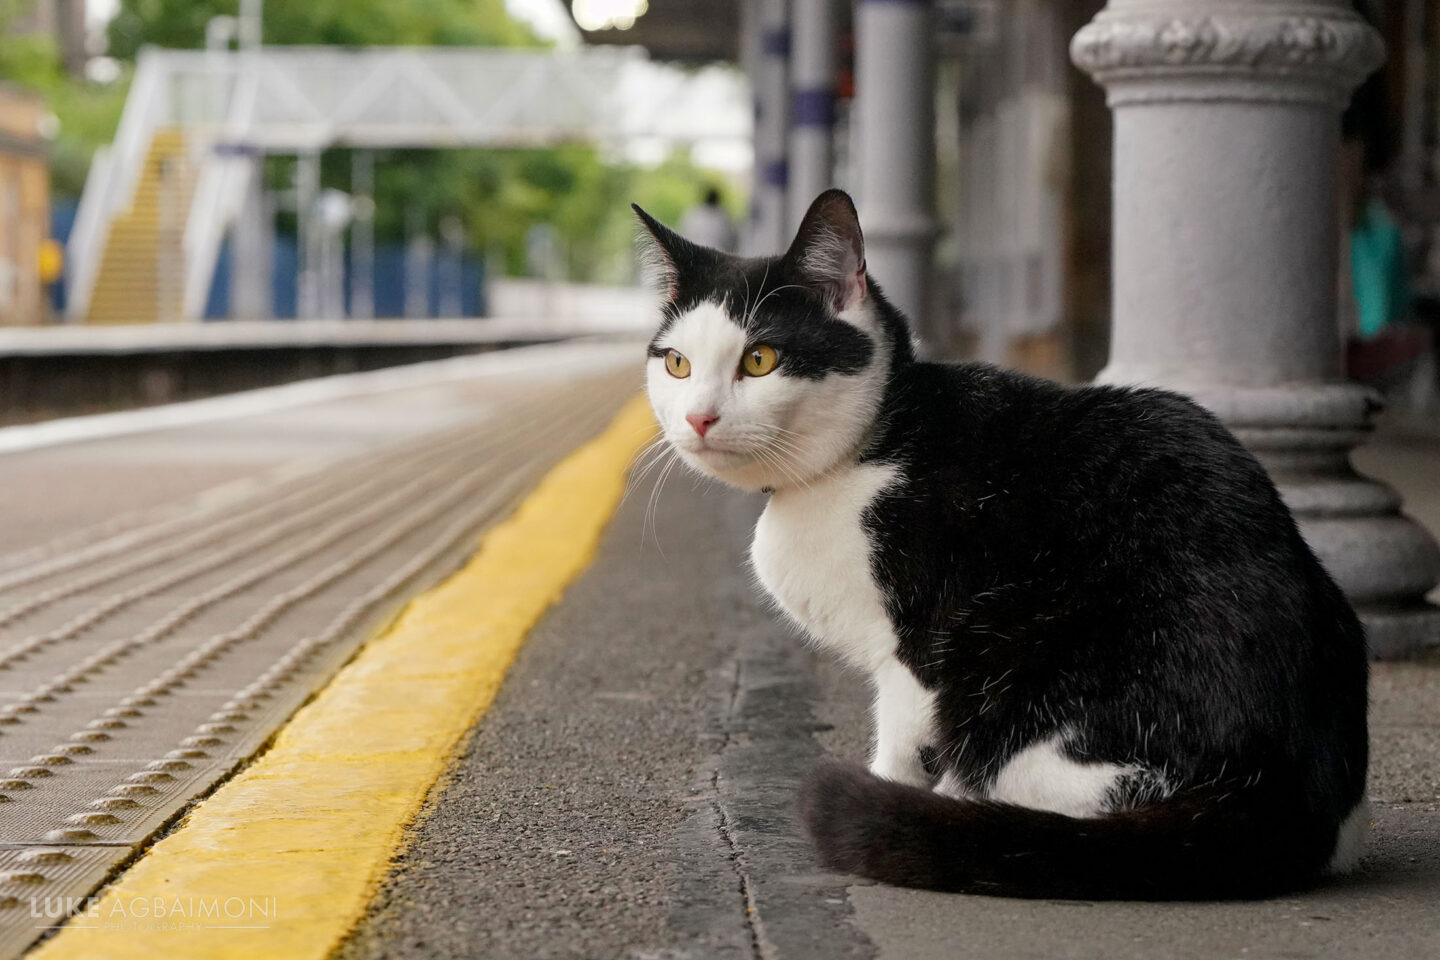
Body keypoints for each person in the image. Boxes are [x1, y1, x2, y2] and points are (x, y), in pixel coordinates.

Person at [679, 187, 738, 253]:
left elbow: (682, 235)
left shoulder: (693, 213)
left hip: (694, 254)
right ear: (718, 200)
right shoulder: (724, 218)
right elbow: (733, 242)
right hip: (717, 255)